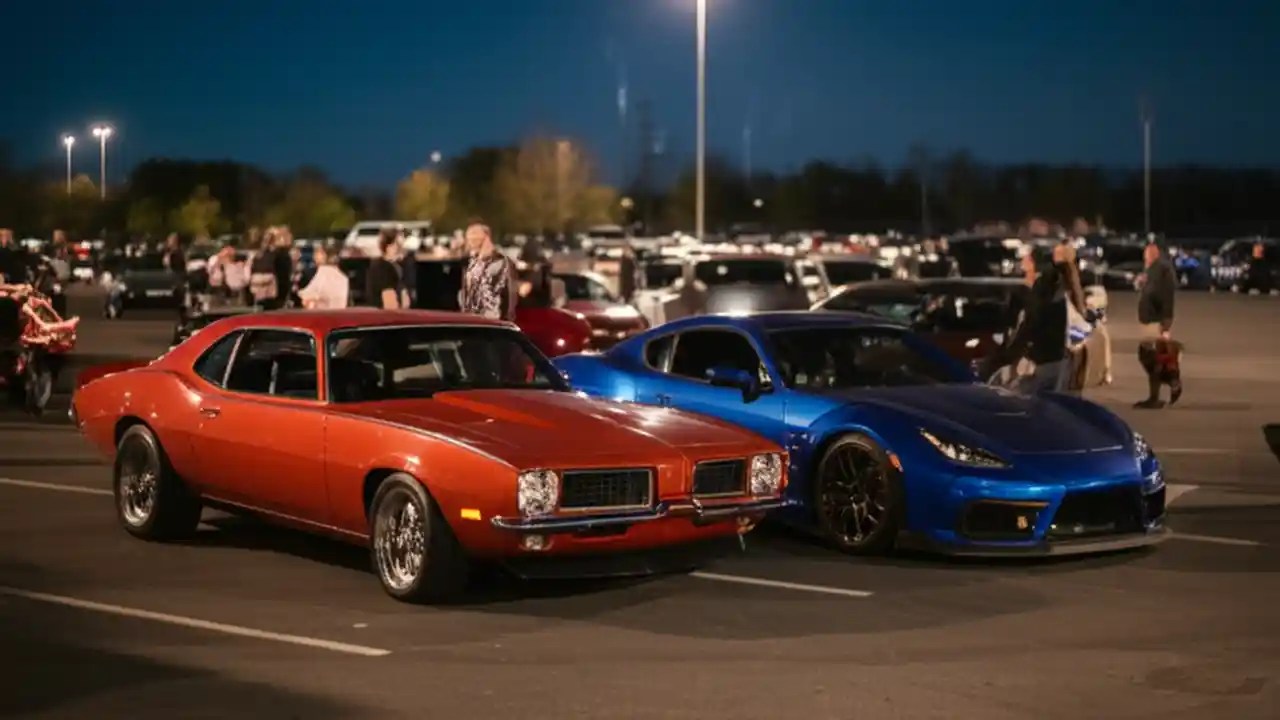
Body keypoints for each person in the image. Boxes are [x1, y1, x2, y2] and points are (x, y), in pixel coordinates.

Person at [988, 246, 1068, 394]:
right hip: (1054, 360)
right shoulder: (1055, 293)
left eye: (1026, 260)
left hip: (1043, 362)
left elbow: (1029, 326)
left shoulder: (1040, 291)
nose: (1022, 264)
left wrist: (1008, 356)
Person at [1135, 240, 1180, 408]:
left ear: (1154, 253)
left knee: (1151, 358)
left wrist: (1165, 321)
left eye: (1147, 253)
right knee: (1152, 357)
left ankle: (1162, 391)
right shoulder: (1154, 269)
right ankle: (1169, 384)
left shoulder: (1161, 270)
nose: (1144, 256)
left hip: (1156, 320)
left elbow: (1164, 295)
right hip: (1151, 319)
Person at [459, 219, 517, 321]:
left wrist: (507, 323)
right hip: (470, 321)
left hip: (493, 321)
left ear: (486, 235)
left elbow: (510, 296)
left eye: (474, 233)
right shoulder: (472, 263)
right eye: (468, 234)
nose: (470, 237)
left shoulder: (502, 262)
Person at [298, 244, 350, 309]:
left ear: (325, 255)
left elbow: (307, 297)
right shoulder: (343, 277)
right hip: (339, 314)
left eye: (317, 252)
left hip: (320, 314)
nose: (314, 255)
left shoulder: (319, 273)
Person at [367, 228, 408, 309]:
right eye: (399, 245)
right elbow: (389, 302)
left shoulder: (395, 266)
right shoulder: (382, 268)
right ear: (389, 246)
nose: (402, 249)